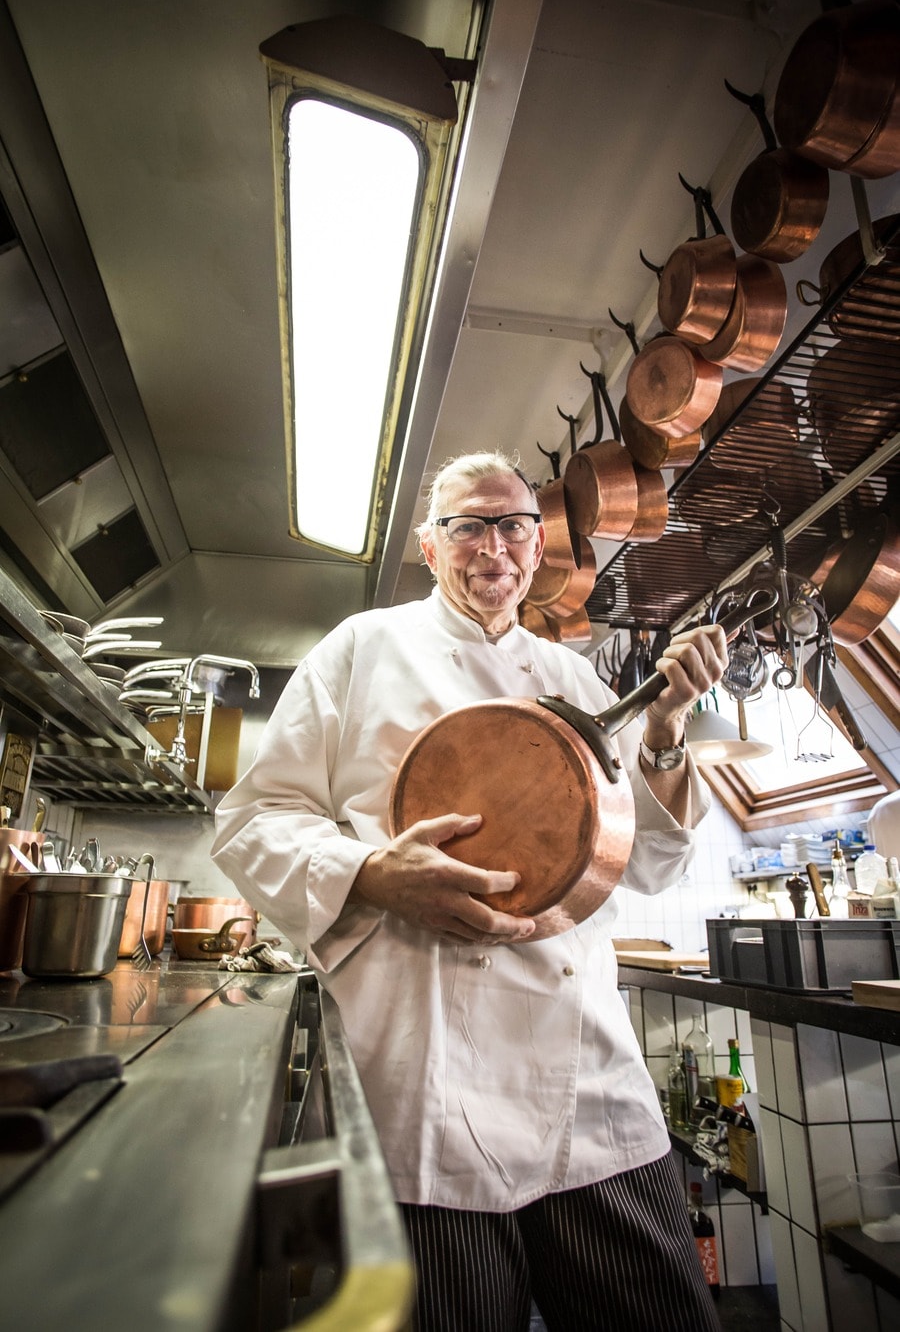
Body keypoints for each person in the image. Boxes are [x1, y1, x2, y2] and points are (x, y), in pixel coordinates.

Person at [212, 450, 726, 1332]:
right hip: (424, 1089)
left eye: (516, 525)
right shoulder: (361, 651)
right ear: (429, 544)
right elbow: (250, 820)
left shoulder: (571, 678)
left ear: (538, 545)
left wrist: (667, 732)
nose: (496, 547)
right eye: (470, 526)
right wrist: (370, 873)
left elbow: (650, 862)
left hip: (588, 1088)